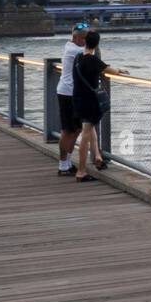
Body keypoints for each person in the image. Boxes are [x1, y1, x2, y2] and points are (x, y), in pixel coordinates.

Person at [72, 31, 128, 183]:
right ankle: (81, 171)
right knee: (85, 135)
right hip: (90, 101)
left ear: (85, 42)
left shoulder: (78, 58)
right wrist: (120, 71)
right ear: (97, 44)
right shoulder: (93, 60)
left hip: (78, 99)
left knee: (89, 128)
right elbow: (110, 70)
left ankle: (97, 157)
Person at [54, 23, 91, 176]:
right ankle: (63, 165)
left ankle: (67, 163)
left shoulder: (69, 45)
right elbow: (93, 59)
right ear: (75, 37)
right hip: (68, 94)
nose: (85, 41)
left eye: (87, 38)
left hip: (71, 93)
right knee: (67, 131)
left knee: (76, 129)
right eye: (83, 38)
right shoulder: (75, 50)